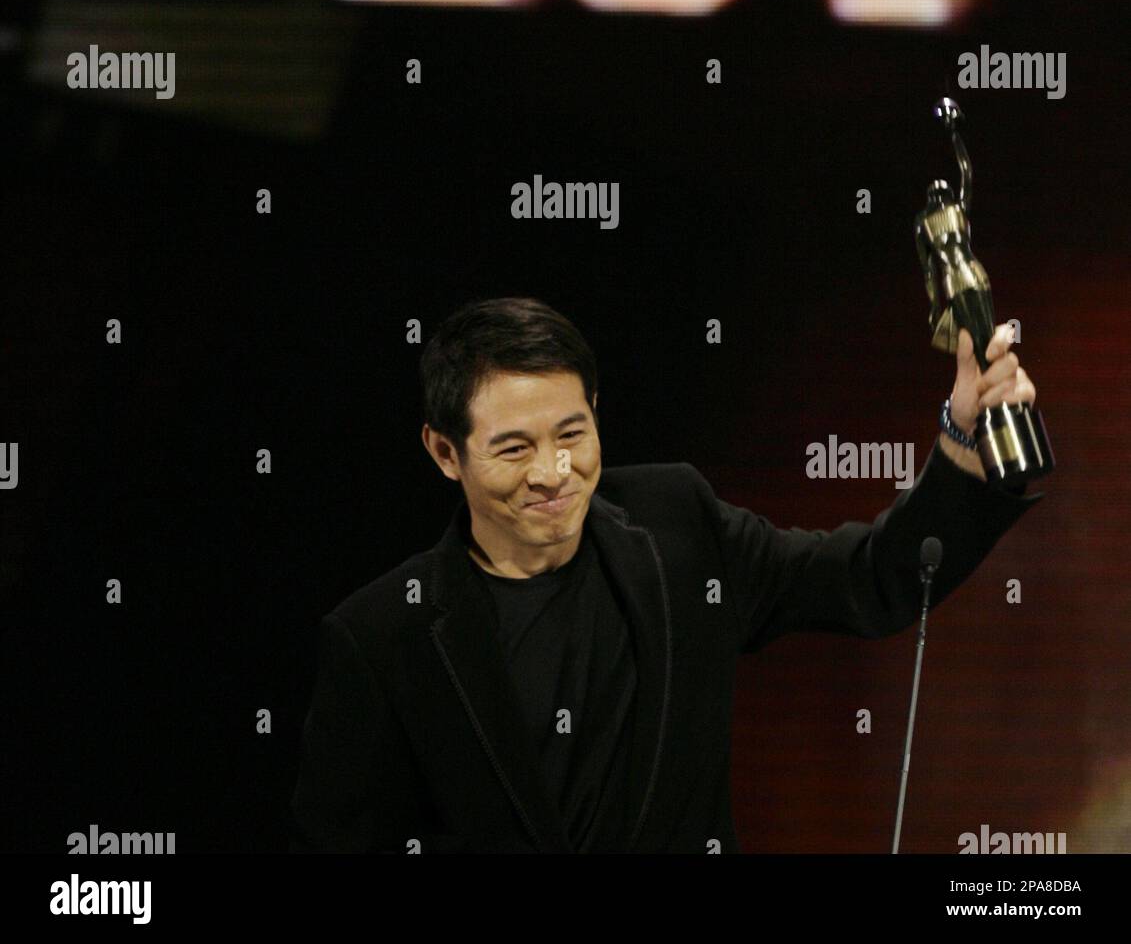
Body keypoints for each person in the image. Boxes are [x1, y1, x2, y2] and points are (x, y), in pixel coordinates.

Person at [289, 296, 1043, 853]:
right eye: (513, 449)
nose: (554, 473)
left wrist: (958, 445)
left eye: (572, 434)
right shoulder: (382, 637)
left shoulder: (675, 524)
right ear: (444, 453)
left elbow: (868, 578)